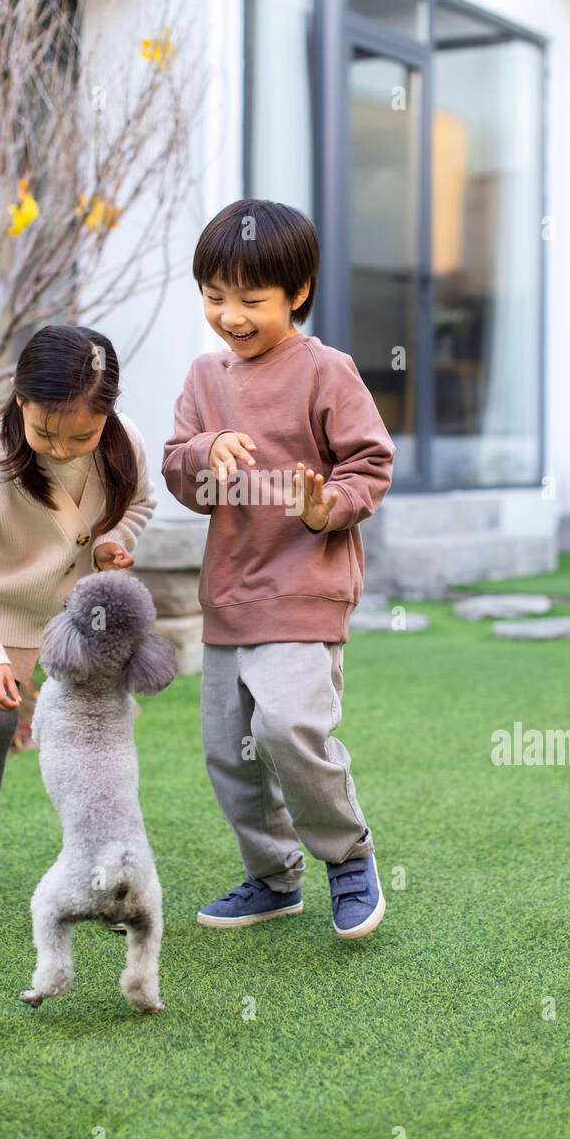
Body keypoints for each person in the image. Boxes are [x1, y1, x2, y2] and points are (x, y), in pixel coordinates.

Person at [161, 198, 396, 939]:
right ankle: (272, 878)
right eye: (213, 296)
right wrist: (206, 452)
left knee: (291, 727)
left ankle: (347, 858)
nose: (229, 314)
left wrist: (328, 507)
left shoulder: (328, 371)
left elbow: (371, 464)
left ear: (297, 293)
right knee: (229, 753)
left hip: (305, 587)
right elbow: (177, 469)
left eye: (249, 300)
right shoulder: (205, 379)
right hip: (230, 593)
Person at [0, 324, 156, 903]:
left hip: (86, 617)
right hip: (8, 613)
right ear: (18, 395)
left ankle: (108, 854)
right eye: (46, 433)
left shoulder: (123, 441)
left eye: (81, 435)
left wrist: (113, 541)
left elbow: (139, 503)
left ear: (108, 412)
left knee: (100, 730)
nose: (61, 448)